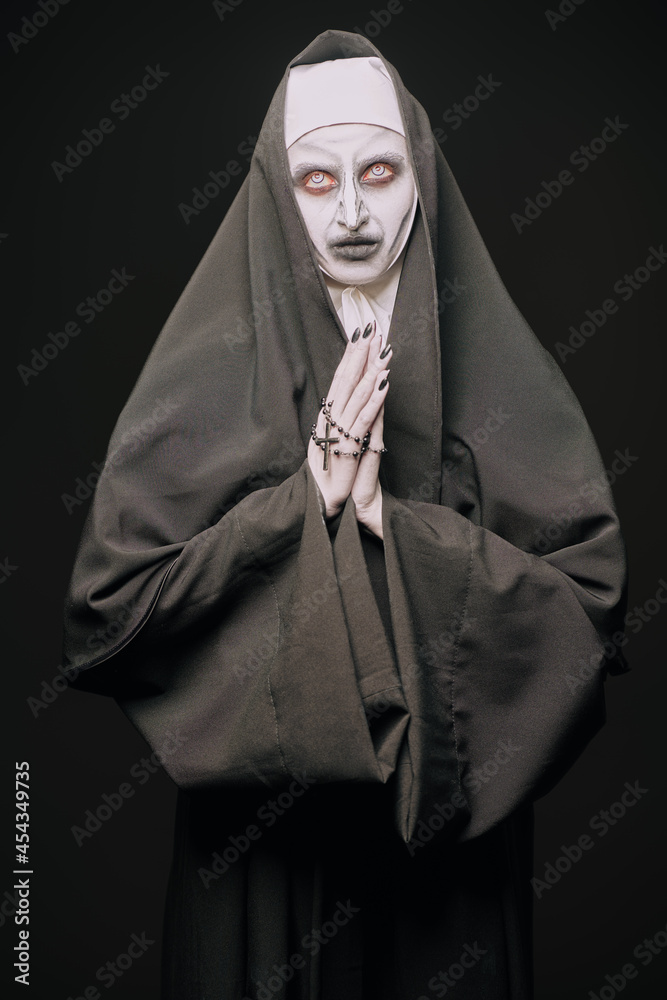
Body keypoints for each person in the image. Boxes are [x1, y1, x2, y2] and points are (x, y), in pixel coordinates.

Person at [62, 29, 629, 1000]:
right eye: (317, 182)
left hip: (451, 875)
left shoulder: (493, 378)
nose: (356, 212)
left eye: (379, 171)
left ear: (423, 177)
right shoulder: (210, 372)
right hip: (261, 863)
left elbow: (583, 613)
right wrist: (305, 505)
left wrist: (387, 529)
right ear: (278, 194)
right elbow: (108, 615)